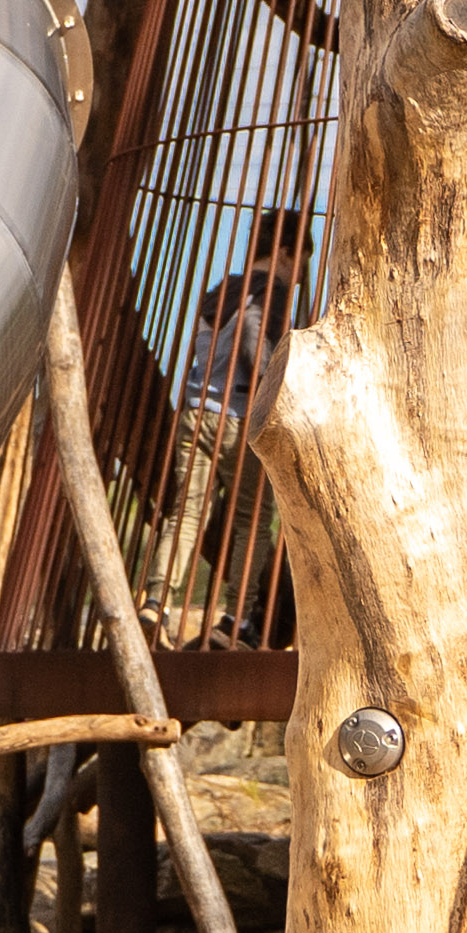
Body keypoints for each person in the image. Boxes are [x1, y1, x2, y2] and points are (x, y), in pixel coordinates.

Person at [145, 223, 302, 644]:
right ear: (284, 252)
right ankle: (237, 618)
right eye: (300, 264)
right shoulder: (271, 292)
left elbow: (202, 343)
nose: (297, 278)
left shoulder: (220, 290)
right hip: (240, 416)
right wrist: (270, 385)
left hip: (196, 411)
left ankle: (155, 602)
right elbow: (253, 334)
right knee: (251, 520)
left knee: (186, 511)